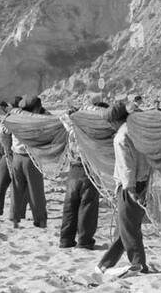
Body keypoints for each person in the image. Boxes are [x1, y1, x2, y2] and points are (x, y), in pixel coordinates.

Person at [97, 100, 151, 276]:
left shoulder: (121, 137)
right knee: (126, 226)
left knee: (129, 228)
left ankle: (139, 264)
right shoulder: (138, 129)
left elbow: (126, 165)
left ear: (114, 121)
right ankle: (105, 263)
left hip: (130, 185)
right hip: (143, 181)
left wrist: (130, 189)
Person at [58, 118, 99, 251]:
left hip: (73, 172)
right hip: (88, 172)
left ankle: (66, 240)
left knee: (70, 207)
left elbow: (65, 121)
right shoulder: (90, 134)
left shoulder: (71, 132)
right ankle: (84, 241)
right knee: (87, 207)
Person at [7, 98, 47, 229]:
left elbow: (2, 129)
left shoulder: (14, 117)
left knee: (16, 189)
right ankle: (40, 220)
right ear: (36, 108)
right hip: (31, 159)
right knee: (36, 191)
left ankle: (15, 219)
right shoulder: (35, 120)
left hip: (16, 158)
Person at [0, 100, 16, 219]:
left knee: (0, 186)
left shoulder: (4, 120)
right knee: (17, 186)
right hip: (16, 157)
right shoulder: (19, 120)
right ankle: (13, 214)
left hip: (4, 157)